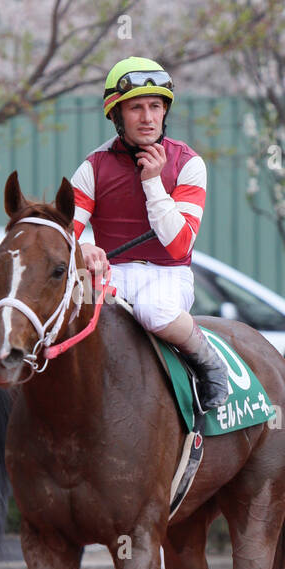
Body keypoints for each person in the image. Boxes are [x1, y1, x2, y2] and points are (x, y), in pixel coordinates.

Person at [70, 55, 229, 409]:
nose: (147, 117)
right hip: (111, 274)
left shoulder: (188, 164)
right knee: (80, 315)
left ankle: (209, 363)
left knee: (153, 311)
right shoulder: (92, 168)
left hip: (168, 275)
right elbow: (68, 232)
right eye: (136, 108)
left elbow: (178, 245)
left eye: (155, 106)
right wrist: (83, 247)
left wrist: (153, 184)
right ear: (117, 115)